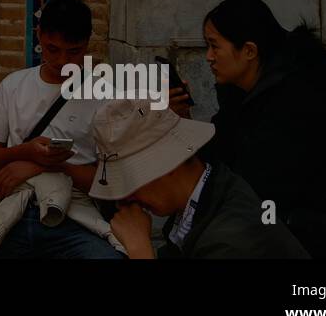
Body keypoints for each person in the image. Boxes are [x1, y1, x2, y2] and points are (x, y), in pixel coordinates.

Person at [187, 0, 326, 259]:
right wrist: (180, 119)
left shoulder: (294, 104)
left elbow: (252, 188)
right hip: (313, 226)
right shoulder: (245, 98)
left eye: (214, 46)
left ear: (249, 51)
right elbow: (216, 163)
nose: (208, 57)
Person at [0, 0, 124, 259]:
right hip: (14, 208)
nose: (62, 61)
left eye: (74, 52)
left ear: (87, 44)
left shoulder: (105, 97)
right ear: (39, 35)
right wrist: (25, 151)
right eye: (52, 49)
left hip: (73, 214)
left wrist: (50, 165)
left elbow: (112, 183)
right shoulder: (14, 86)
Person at [90, 99, 308, 258]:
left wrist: (139, 248)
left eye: (129, 182)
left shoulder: (229, 242)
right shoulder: (209, 193)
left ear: (167, 164)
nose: (126, 198)